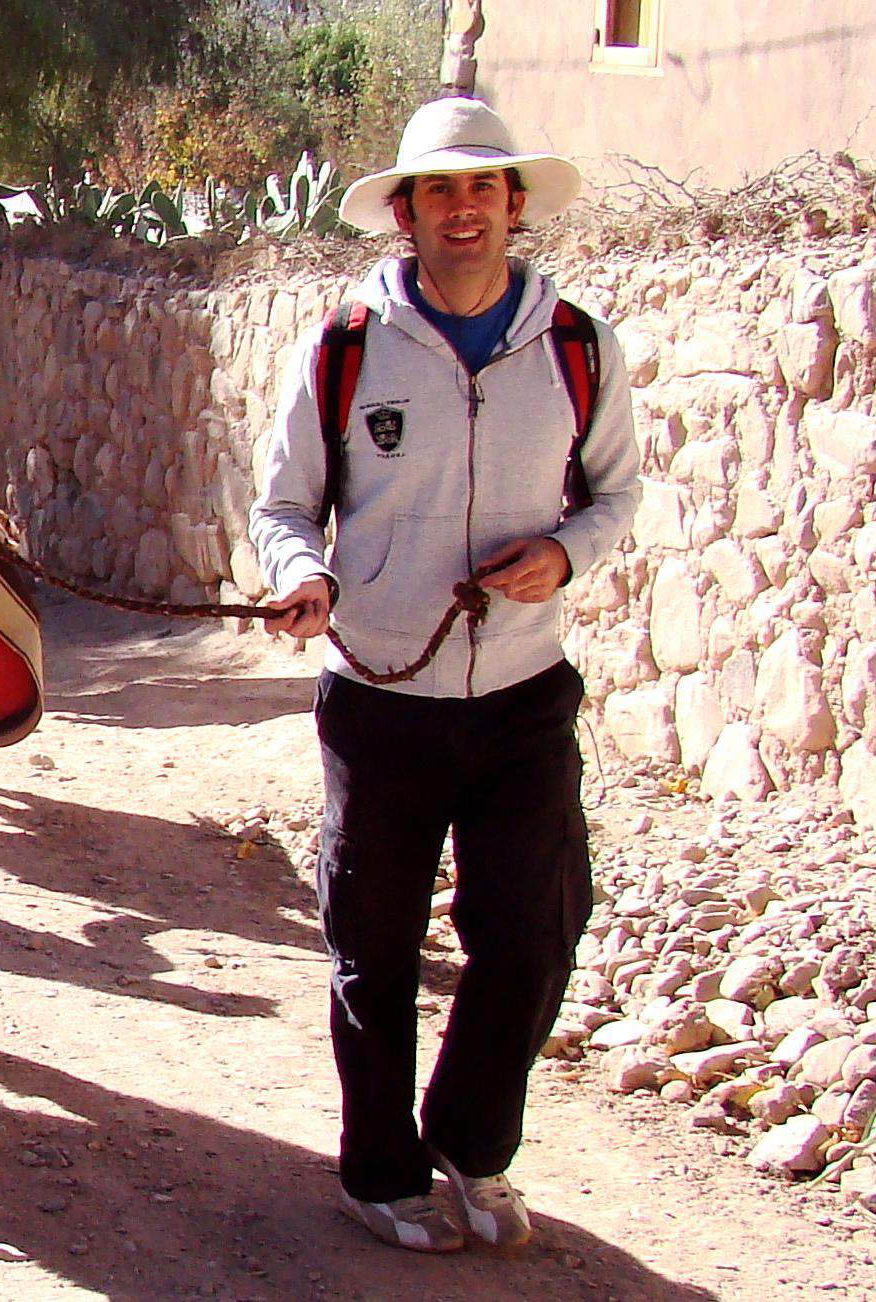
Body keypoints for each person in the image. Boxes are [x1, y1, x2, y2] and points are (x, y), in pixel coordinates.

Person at [247, 97, 639, 1253]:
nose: (461, 209)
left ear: (512, 206)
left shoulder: (574, 343)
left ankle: (470, 1145)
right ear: (405, 213)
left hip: (523, 692)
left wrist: (565, 554)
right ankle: (378, 1170)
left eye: (481, 189)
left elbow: (613, 490)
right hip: (377, 693)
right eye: (437, 192)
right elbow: (281, 505)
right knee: (370, 947)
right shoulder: (343, 347)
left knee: (531, 932)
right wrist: (304, 572)